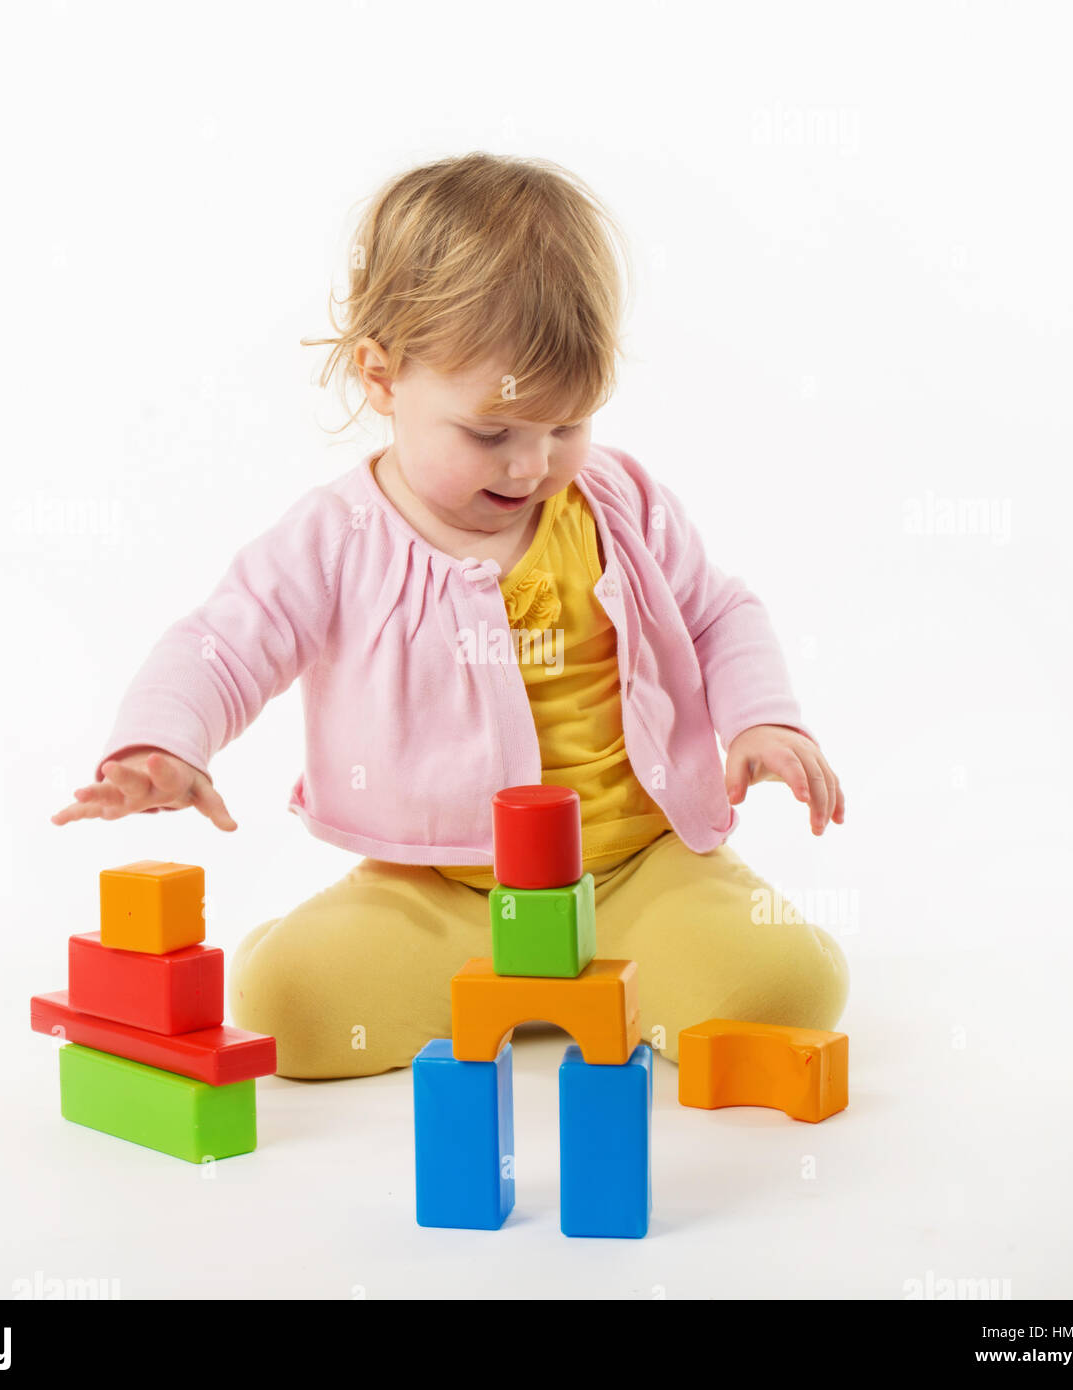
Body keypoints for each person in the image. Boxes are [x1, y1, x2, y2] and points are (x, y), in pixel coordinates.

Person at [52, 152, 848, 1079]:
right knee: (291, 1017)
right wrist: (162, 745)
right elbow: (222, 644)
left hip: (634, 868)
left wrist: (763, 719)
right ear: (383, 380)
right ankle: (540, 990)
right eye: (489, 433)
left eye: (566, 426)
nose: (529, 468)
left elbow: (719, 611)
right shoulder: (339, 536)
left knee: (786, 993)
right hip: (440, 888)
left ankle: (592, 976)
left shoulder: (618, 502)